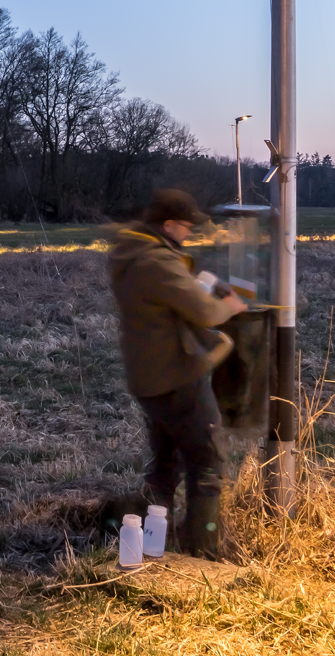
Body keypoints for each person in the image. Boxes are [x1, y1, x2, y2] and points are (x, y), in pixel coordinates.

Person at [108, 189, 247, 559]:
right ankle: (202, 553)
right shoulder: (156, 262)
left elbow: (175, 291)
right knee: (207, 463)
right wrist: (230, 306)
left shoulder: (132, 254)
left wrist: (204, 281)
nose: (189, 233)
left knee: (165, 465)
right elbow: (203, 311)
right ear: (168, 225)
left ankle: (151, 543)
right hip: (176, 377)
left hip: (148, 377)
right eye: (186, 226)